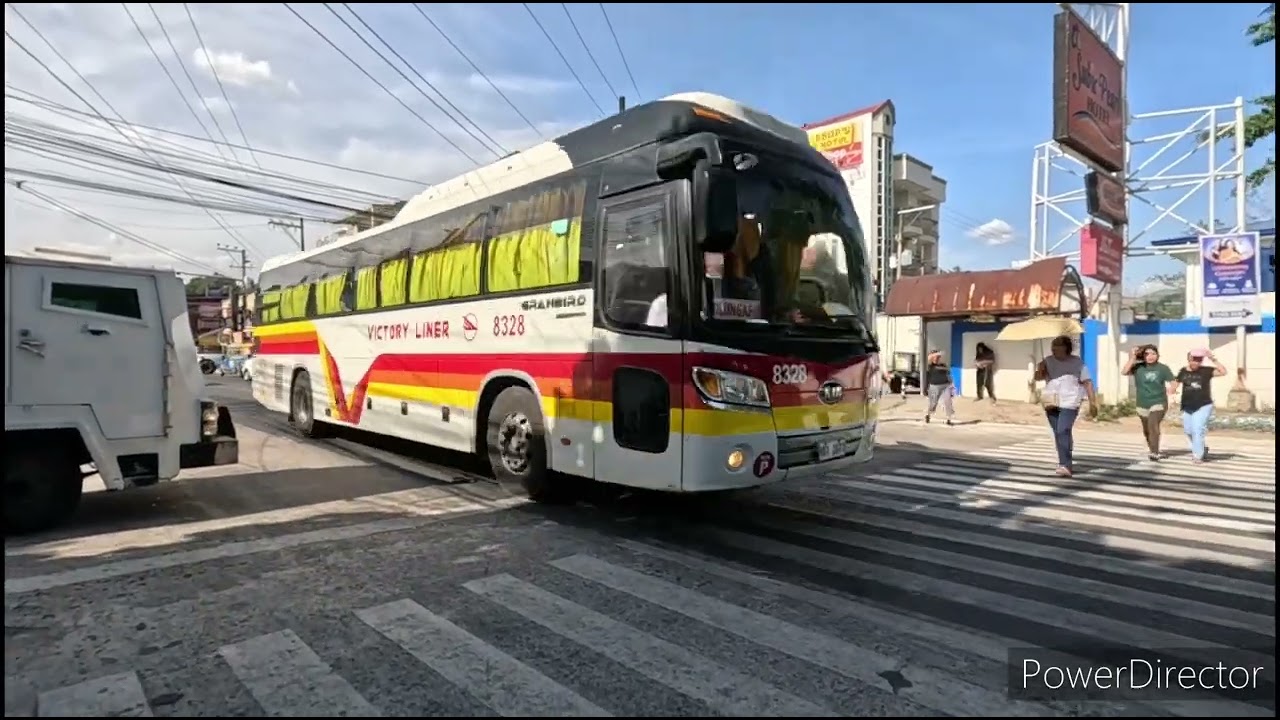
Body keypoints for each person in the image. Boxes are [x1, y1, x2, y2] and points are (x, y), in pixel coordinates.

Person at [1034, 335, 1098, 477]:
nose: (1054, 348)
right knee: (1059, 432)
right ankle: (1065, 454)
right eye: (1053, 345)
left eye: (1058, 345)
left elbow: (1087, 382)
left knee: (1063, 429)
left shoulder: (1077, 363)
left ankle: (1065, 465)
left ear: (1066, 348)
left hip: (1071, 401)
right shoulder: (1048, 361)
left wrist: (1093, 402)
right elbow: (1037, 378)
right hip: (1051, 401)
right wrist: (1040, 369)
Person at [1170, 349, 1226, 463]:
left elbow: (1223, 371)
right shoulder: (1183, 371)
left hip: (1203, 405)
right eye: (1193, 360)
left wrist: (1213, 359)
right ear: (1189, 359)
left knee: (1197, 429)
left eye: (1199, 360)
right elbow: (1175, 384)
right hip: (1187, 406)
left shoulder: (1206, 371)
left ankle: (1197, 455)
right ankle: (1202, 449)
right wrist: (1171, 394)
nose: (1196, 362)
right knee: (1188, 431)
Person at [1122, 344, 1175, 461]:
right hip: (1142, 403)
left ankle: (1155, 452)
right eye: (1147, 354)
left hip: (1159, 402)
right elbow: (1124, 371)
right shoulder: (1138, 368)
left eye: (1153, 354)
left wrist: (1172, 389)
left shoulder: (1163, 368)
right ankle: (1152, 449)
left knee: (1153, 425)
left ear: (1158, 355)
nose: (1150, 356)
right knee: (1147, 430)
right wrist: (1132, 357)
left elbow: (1173, 381)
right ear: (1143, 356)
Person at [923, 350, 954, 426]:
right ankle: (928, 415)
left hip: (945, 385)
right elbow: (927, 377)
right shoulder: (930, 366)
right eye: (935, 357)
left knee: (947, 402)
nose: (937, 358)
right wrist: (925, 388)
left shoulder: (943, 366)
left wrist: (952, 387)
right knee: (932, 403)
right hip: (934, 386)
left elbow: (948, 375)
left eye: (938, 357)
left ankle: (948, 419)